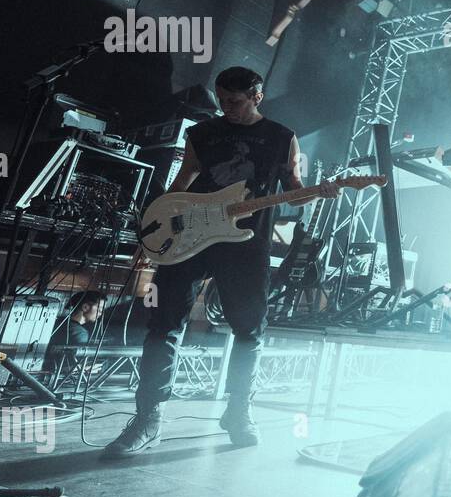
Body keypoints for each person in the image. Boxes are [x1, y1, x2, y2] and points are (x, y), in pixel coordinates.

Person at [103, 67, 340, 457]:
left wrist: (318, 194)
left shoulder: (281, 138)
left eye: (236, 101)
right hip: (189, 237)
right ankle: (148, 418)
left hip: (245, 245)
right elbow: (183, 183)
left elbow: (294, 192)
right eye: (222, 100)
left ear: (257, 97)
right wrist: (154, 227)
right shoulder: (203, 133)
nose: (226, 107)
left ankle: (238, 412)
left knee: (249, 331)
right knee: (163, 324)